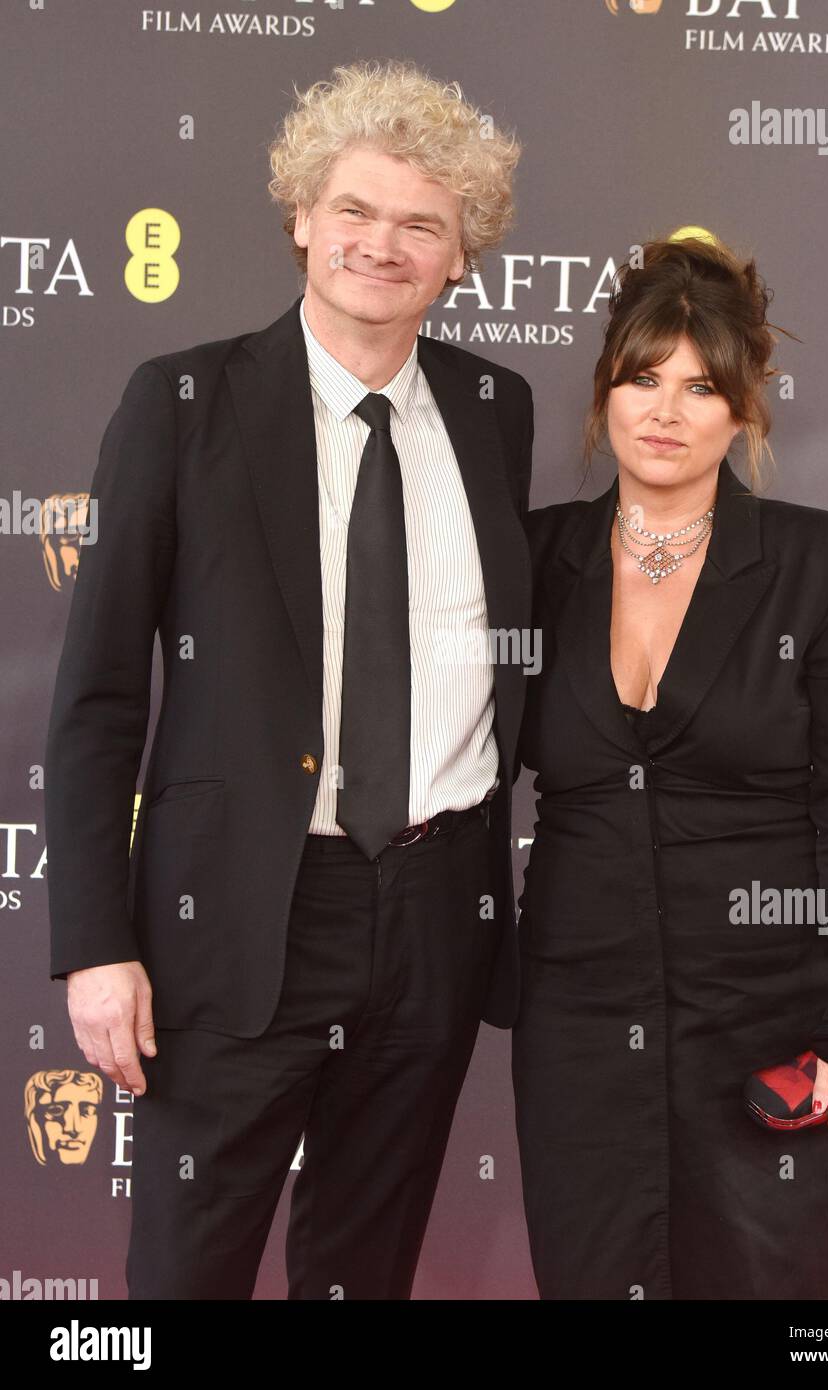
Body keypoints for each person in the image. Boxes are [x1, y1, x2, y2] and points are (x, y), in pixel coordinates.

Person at [44, 59, 533, 1299]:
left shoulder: (493, 408)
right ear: (301, 215)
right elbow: (99, 697)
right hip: (238, 921)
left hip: (432, 912)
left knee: (364, 1268)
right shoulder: (183, 404)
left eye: (423, 223)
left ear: (462, 254)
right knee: (184, 1273)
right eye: (356, 210)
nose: (384, 244)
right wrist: (96, 944)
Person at [510, 235, 828, 1300]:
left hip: (769, 1013)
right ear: (605, 388)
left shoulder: (822, 564)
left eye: (701, 386)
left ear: (746, 409)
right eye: (641, 377)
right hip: (581, 1015)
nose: (664, 409)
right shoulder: (531, 558)